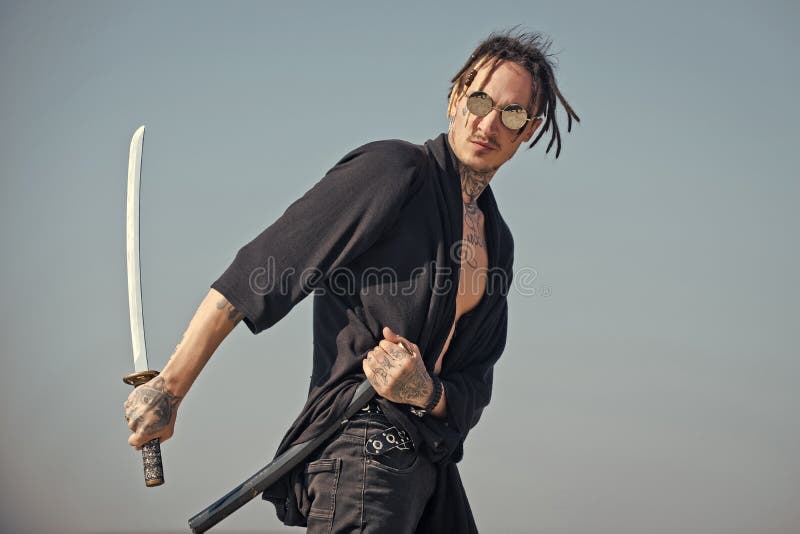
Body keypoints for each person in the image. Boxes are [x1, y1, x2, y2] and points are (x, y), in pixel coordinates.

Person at [124, 29, 579, 533]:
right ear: (456, 96)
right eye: (479, 100)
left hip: (431, 469)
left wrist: (427, 392)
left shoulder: (499, 241)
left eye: (511, 114)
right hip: (363, 448)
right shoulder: (395, 171)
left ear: (529, 131)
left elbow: (474, 384)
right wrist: (170, 388)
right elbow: (266, 267)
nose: (488, 123)